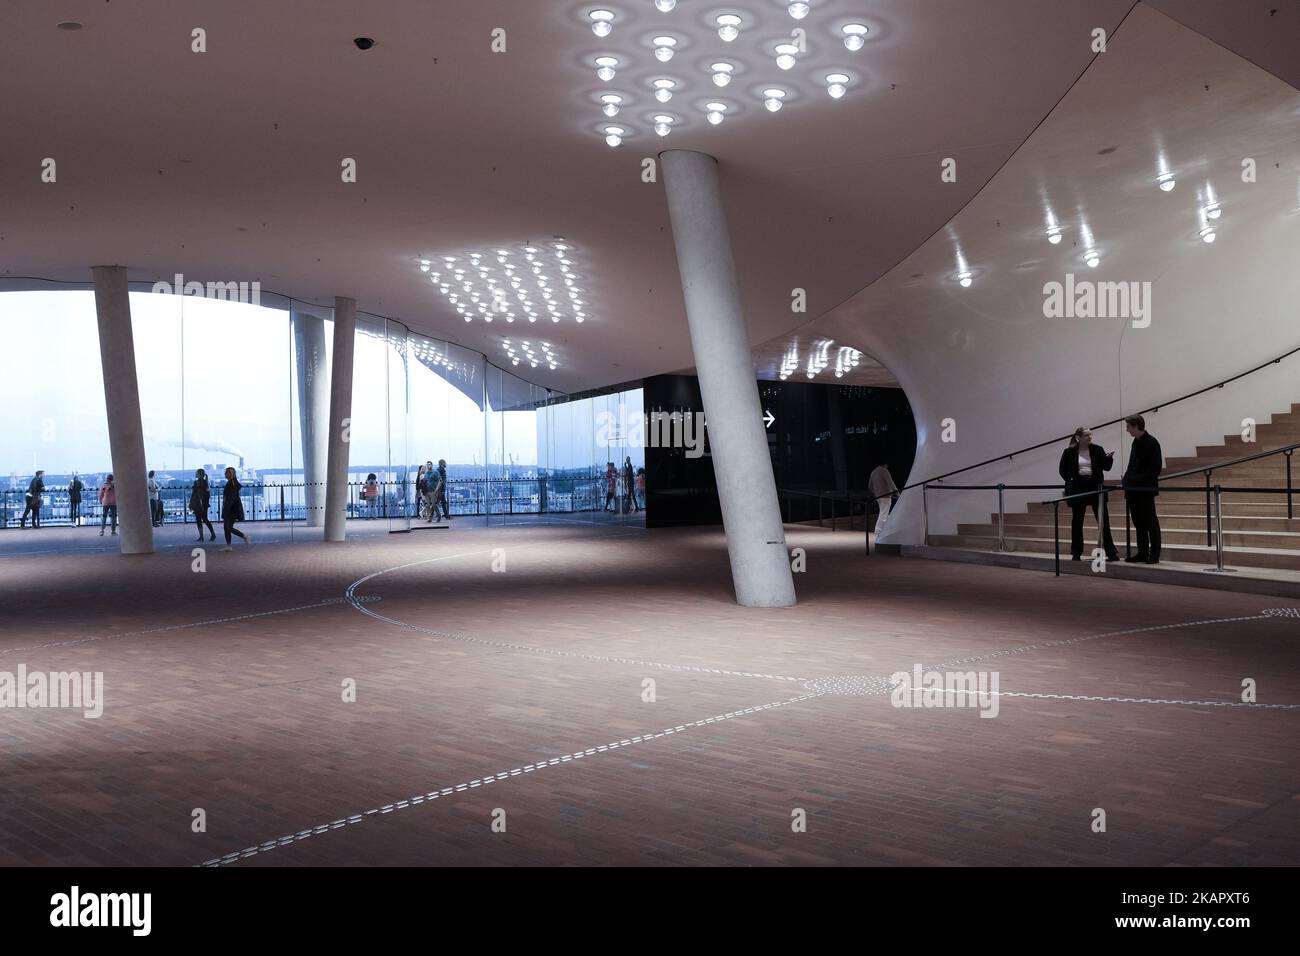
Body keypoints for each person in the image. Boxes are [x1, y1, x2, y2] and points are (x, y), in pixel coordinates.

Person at [1058, 427, 1119, 562]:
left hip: (1095, 488)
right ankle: (1076, 553)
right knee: (1077, 522)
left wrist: (1109, 459)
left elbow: (1106, 467)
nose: (1089, 437)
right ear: (1079, 437)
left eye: (1090, 434)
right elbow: (1062, 470)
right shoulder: (1069, 452)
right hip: (1078, 489)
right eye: (1086, 435)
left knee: (1103, 521)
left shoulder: (1098, 449)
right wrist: (1072, 482)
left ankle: (1111, 552)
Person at [1122, 415, 1163, 564]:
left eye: (1128, 427)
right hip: (1133, 490)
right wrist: (1126, 478)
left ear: (1136, 426)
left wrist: (1135, 479)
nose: (1127, 430)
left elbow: (1155, 468)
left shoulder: (1152, 442)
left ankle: (1154, 554)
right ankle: (1142, 552)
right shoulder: (1135, 442)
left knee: (1150, 522)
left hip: (1145, 490)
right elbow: (1131, 464)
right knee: (1138, 522)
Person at [220, 466, 250, 550]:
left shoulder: (232, 483)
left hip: (231, 509)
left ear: (231, 474)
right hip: (232, 509)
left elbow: (231, 498)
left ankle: (244, 537)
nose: (225, 474)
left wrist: (226, 509)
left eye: (227, 473)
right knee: (227, 528)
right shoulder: (232, 482)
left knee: (228, 528)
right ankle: (229, 545)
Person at [868, 462, 898, 534]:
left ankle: (887, 530)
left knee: (884, 513)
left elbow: (870, 486)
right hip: (886, 495)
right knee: (884, 513)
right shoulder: (884, 471)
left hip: (878, 496)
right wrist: (897, 493)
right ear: (885, 464)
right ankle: (878, 530)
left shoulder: (873, 472)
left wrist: (876, 492)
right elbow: (891, 483)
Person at [190, 468, 216, 542]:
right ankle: (212, 534)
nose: (196, 474)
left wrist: (191, 503)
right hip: (203, 504)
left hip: (197, 504)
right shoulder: (205, 483)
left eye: (197, 473)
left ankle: (202, 537)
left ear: (199, 474)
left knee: (199, 520)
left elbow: (194, 494)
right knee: (205, 519)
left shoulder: (197, 482)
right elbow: (207, 495)